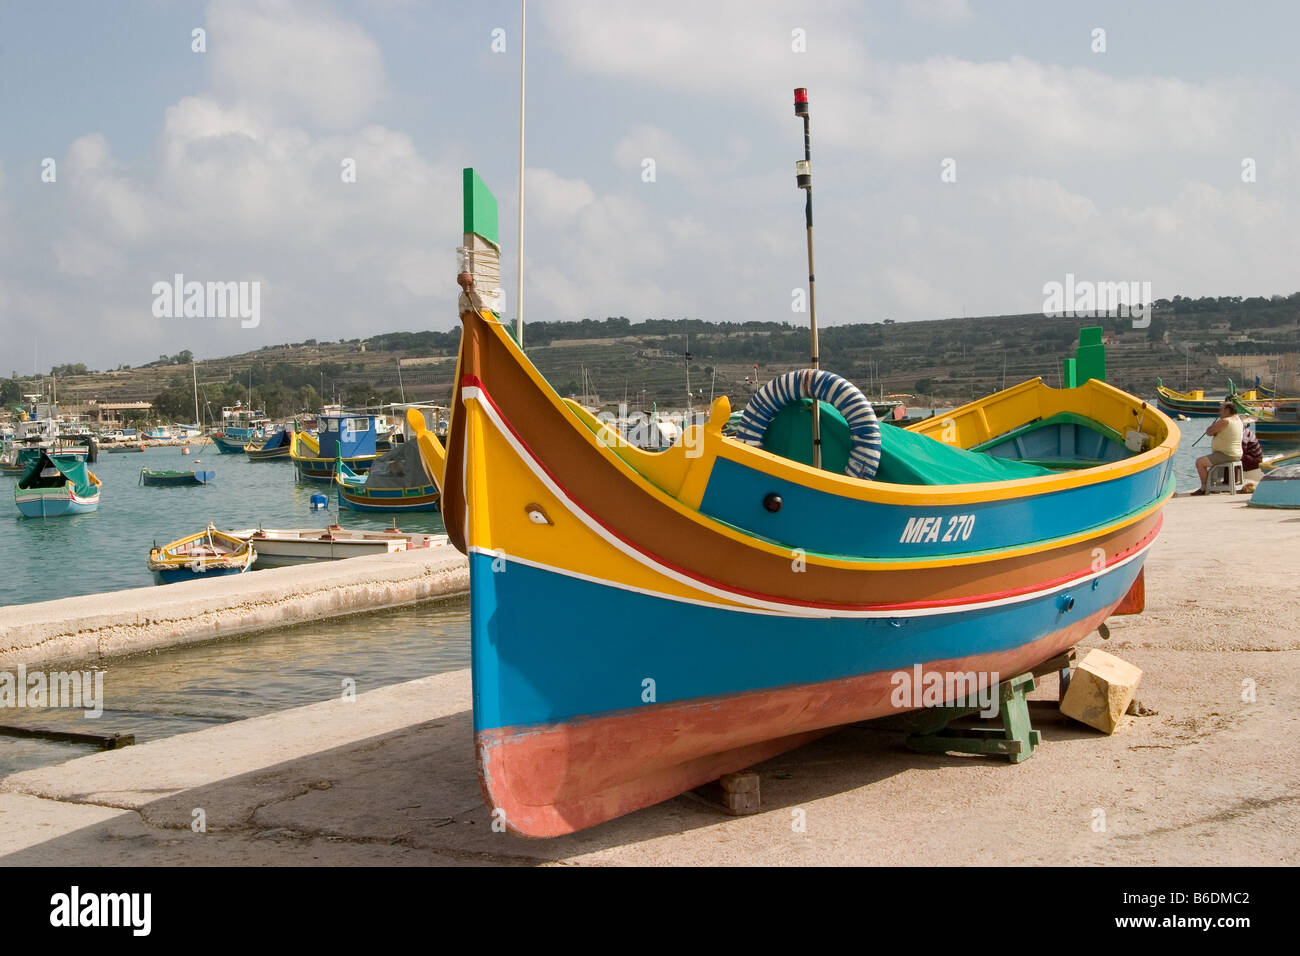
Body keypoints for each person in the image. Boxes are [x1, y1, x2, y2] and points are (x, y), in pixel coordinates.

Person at [1192, 400, 1243, 495]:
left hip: (1226, 454)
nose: (1219, 412)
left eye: (1221, 410)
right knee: (1208, 460)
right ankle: (1211, 486)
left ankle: (1204, 488)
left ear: (1227, 410)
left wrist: (1213, 425)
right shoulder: (1238, 419)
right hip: (1235, 453)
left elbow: (1209, 432)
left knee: (1200, 462)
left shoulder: (1225, 421)